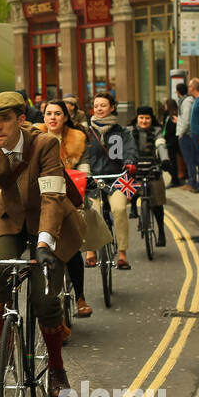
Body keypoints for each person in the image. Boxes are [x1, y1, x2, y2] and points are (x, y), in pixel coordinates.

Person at [0, 92, 84, 395]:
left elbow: (53, 196)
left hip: (50, 220)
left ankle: (57, 367)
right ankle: (11, 345)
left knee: (45, 298)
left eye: (4, 119)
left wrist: (44, 244)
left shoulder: (45, 144)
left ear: (20, 120)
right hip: (9, 217)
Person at [37, 99, 93, 315]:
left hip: (69, 197)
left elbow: (83, 167)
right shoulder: (35, 137)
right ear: (43, 117)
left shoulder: (78, 138)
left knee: (70, 248)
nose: (52, 117)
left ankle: (80, 297)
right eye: (48, 113)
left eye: (57, 113)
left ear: (66, 117)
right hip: (42, 199)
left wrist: (84, 180)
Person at [84, 91, 137, 269]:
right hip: (92, 181)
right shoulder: (85, 132)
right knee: (91, 212)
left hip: (116, 180)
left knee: (120, 209)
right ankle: (90, 250)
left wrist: (129, 162)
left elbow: (130, 150)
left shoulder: (122, 132)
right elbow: (79, 155)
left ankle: (122, 254)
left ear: (112, 107)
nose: (99, 109)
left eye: (103, 105)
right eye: (96, 105)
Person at [129, 104, 169, 243]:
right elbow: (126, 148)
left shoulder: (157, 130)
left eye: (147, 118)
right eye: (141, 118)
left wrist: (165, 160)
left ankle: (162, 232)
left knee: (157, 201)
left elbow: (161, 145)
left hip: (153, 166)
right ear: (137, 118)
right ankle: (133, 205)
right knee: (127, 187)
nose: (144, 121)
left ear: (152, 119)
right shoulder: (130, 131)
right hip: (135, 166)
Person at [161, 97, 182, 188]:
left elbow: (171, 129)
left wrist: (165, 136)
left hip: (172, 141)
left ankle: (175, 179)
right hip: (171, 140)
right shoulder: (169, 115)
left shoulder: (172, 116)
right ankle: (176, 177)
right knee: (173, 161)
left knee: (172, 161)